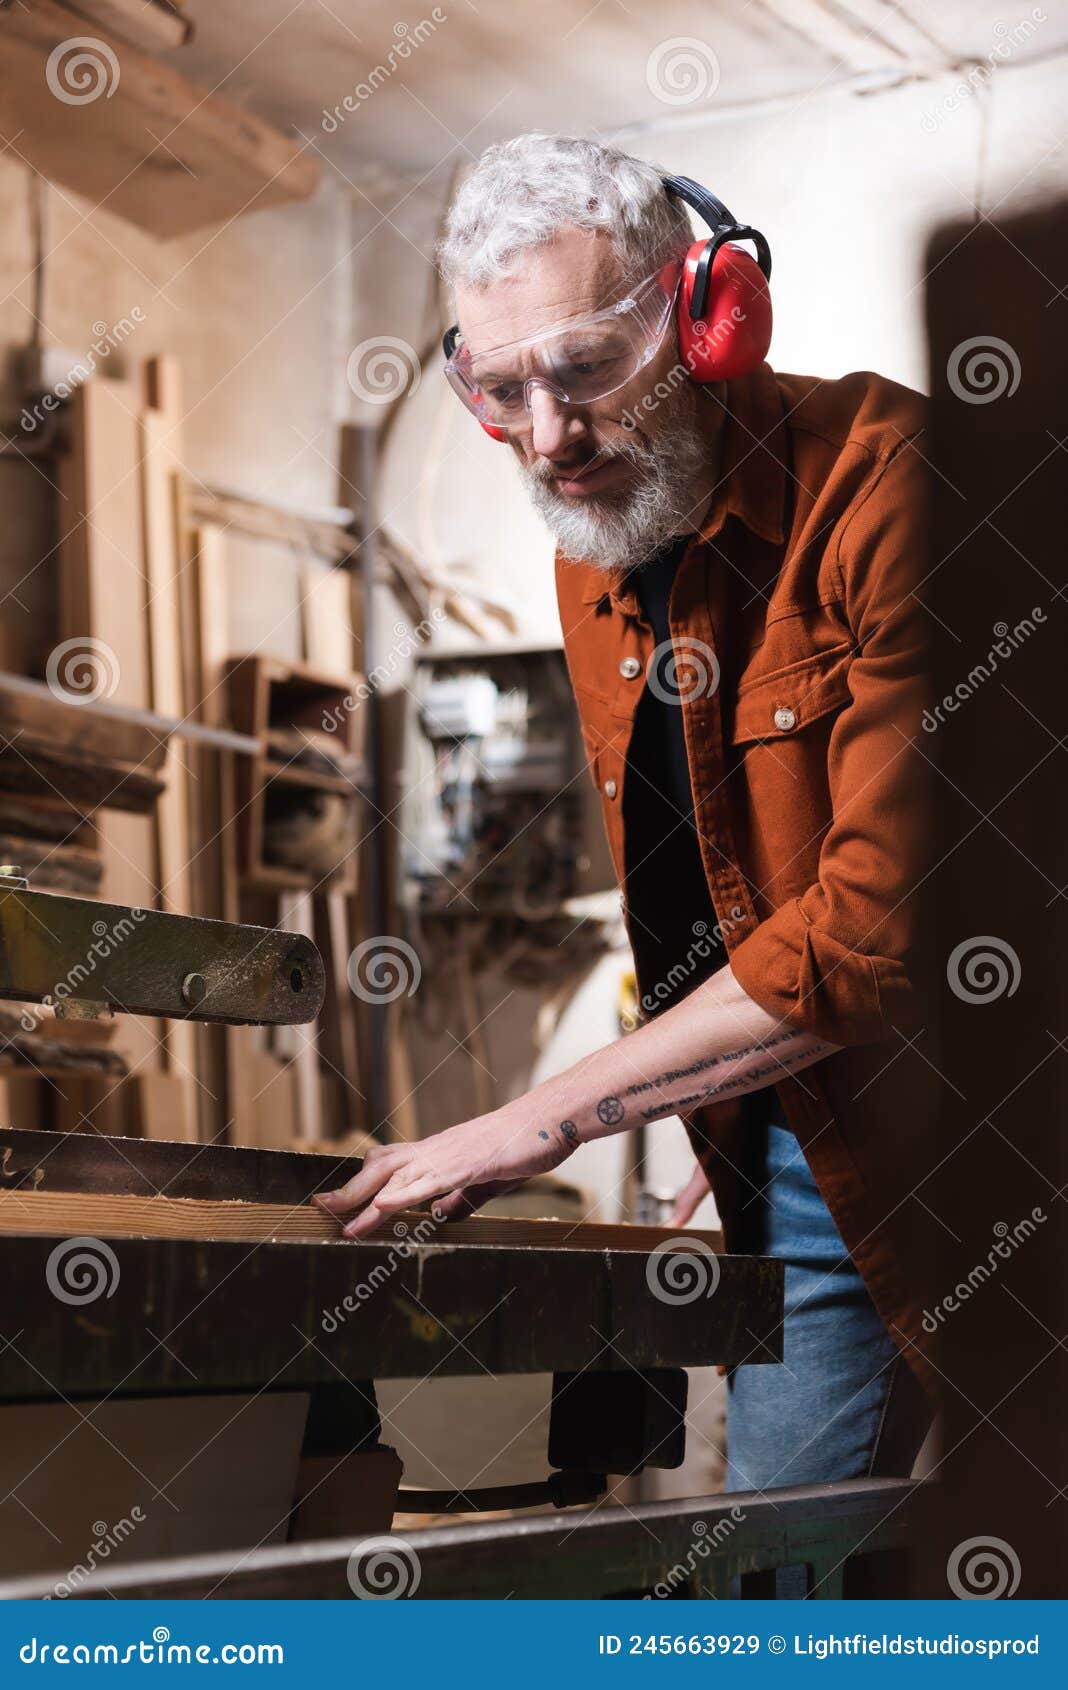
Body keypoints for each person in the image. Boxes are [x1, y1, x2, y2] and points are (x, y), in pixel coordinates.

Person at [318, 133, 936, 1490]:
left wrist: (541, 1118)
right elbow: (711, 884)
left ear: (707, 317)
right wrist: (742, 1101)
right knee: (793, 1589)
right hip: (802, 1147)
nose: (550, 438)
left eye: (586, 369)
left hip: (985, 1140)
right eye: (503, 390)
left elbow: (874, 937)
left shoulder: (898, 488)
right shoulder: (588, 562)